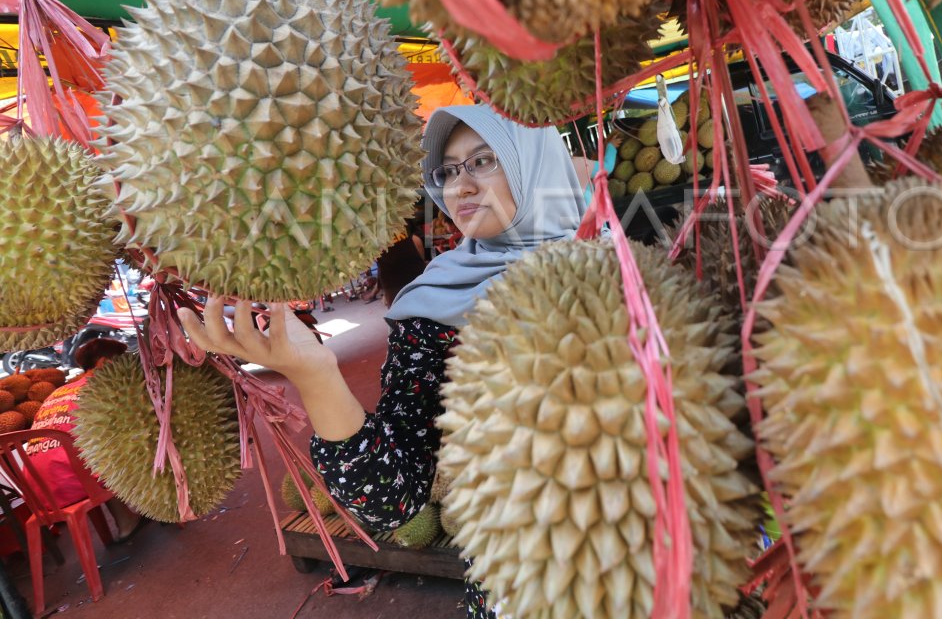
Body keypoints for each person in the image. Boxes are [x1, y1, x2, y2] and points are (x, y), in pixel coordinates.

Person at [179, 104, 585, 616]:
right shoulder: (431, 309)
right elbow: (394, 497)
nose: (460, 186)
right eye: (448, 170)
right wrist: (316, 374)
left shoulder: (632, 272)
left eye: (484, 160)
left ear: (535, 162)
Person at [25, 338, 148, 541]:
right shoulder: (100, 389)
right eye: (122, 361)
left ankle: (127, 518)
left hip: (38, 492)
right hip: (73, 481)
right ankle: (138, 517)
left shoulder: (58, 392)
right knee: (133, 444)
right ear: (104, 363)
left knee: (88, 452)